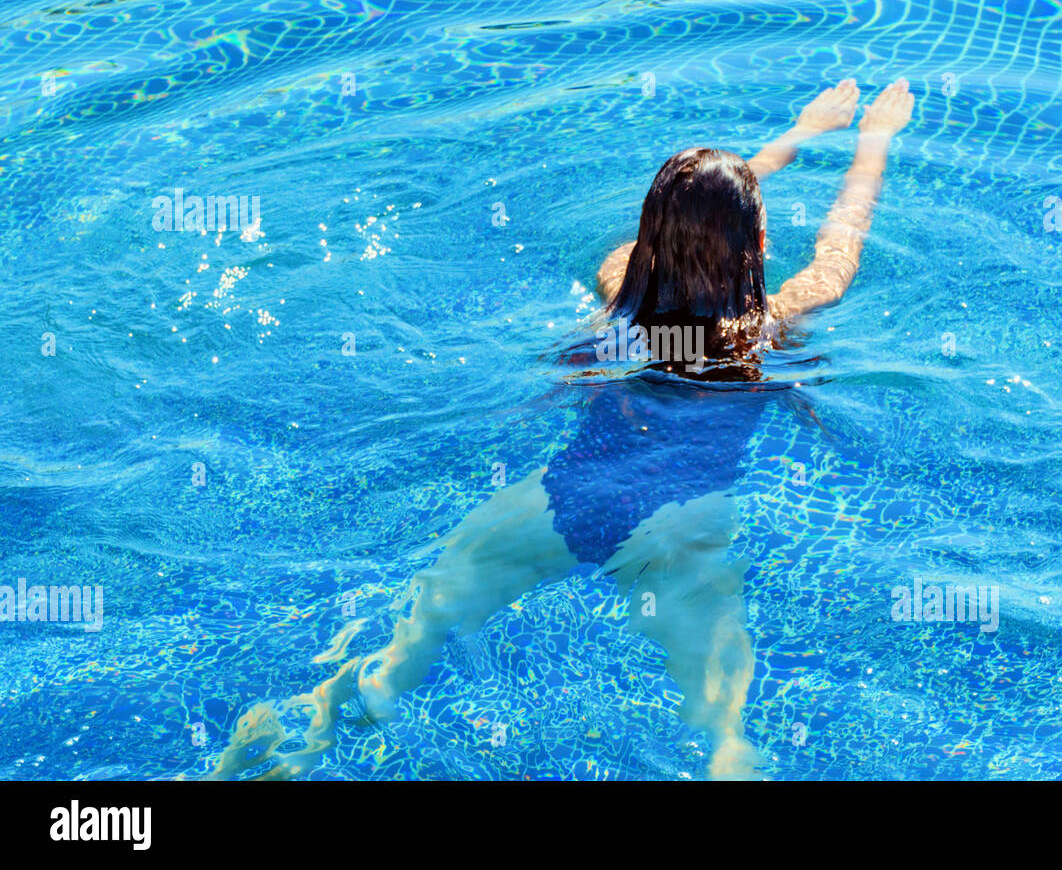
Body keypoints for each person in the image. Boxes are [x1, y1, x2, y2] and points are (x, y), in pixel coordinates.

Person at [207, 78, 915, 782]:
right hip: (681, 527)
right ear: (759, 241)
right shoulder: (772, 327)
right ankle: (729, 760)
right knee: (721, 724)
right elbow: (841, 240)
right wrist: (870, 139)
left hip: (565, 501)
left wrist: (788, 138)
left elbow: (670, 231)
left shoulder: (619, 290)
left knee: (404, 650)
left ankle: (305, 730)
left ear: (651, 237)